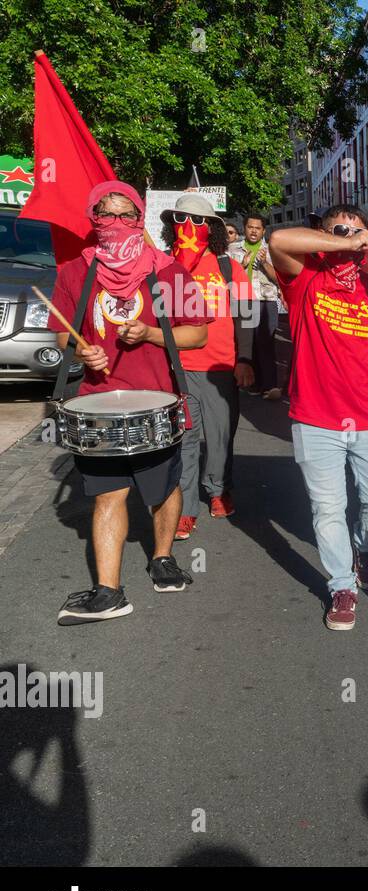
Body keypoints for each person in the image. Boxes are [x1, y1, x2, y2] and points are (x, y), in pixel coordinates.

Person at [50, 181, 208, 624]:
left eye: (126, 215)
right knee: (108, 496)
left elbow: (198, 333)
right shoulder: (73, 272)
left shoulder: (170, 272)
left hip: (157, 402)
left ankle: (162, 559)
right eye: (106, 214)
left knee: (162, 490)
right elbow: (63, 331)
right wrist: (79, 349)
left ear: (139, 219)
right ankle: (109, 592)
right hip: (98, 402)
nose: (116, 224)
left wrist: (153, 334)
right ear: (93, 219)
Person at [267, 204, 368, 631]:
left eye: (357, 230)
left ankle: (365, 549)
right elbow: (278, 240)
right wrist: (345, 240)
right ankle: (342, 586)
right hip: (315, 417)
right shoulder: (305, 279)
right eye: (338, 230)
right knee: (328, 508)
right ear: (323, 235)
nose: (349, 236)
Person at [161, 193, 254, 540]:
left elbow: (246, 316)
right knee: (184, 440)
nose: (190, 227)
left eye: (199, 221)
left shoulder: (228, 267)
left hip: (220, 368)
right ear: (171, 226)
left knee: (220, 437)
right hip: (177, 369)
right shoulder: (162, 265)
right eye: (182, 220)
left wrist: (244, 359)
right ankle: (186, 509)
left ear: (213, 227)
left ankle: (218, 489)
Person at [229, 212, 284, 400]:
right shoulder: (231, 249)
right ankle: (250, 383)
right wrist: (242, 266)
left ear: (263, 231)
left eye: (257, 228)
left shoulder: (272, 250)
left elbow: (279, 280)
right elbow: (225, 278)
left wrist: (265, 263)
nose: (253, 231)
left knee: (266, 344)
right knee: (245, 343)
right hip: (241, 301)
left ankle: (269, 386)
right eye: (250, 227)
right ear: (244, 228)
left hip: (265, 302)